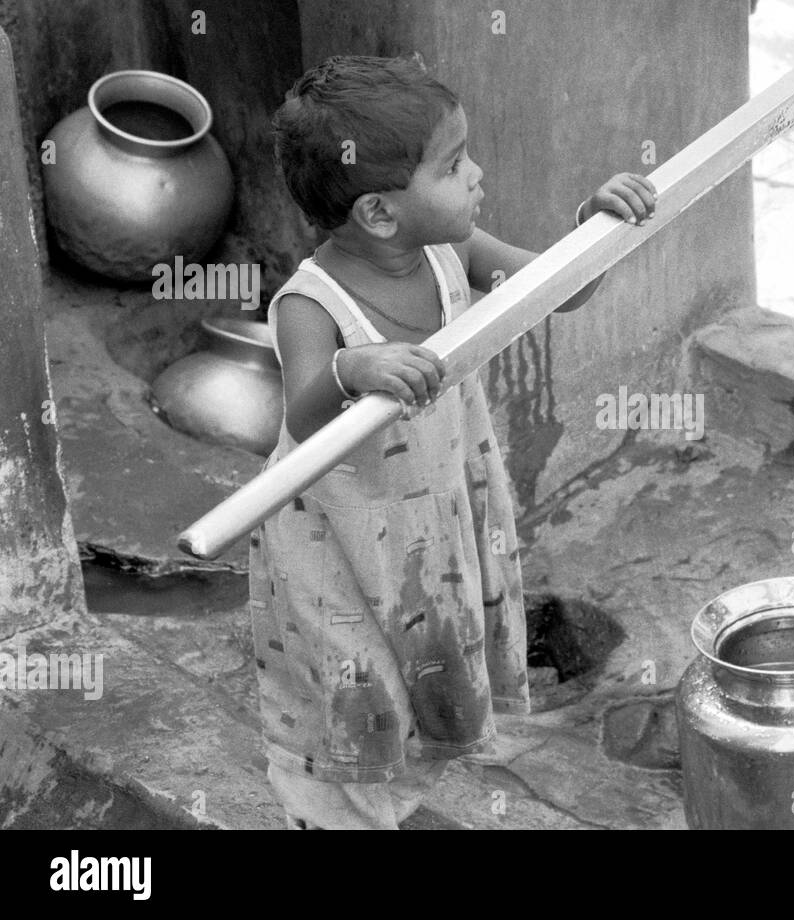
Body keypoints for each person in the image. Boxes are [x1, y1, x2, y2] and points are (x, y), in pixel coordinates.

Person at [251, 54, 657, 829]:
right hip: (337, 541)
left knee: (423, 662)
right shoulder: (312, 304)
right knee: (354, 680)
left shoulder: (451, 252)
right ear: (379, 212)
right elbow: (305, 418)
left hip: (426, 522)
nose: (477, 174)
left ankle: (393, 794)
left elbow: (557, 292)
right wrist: (349, 366)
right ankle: (330, 811)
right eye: (454, 164)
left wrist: (592, 223)